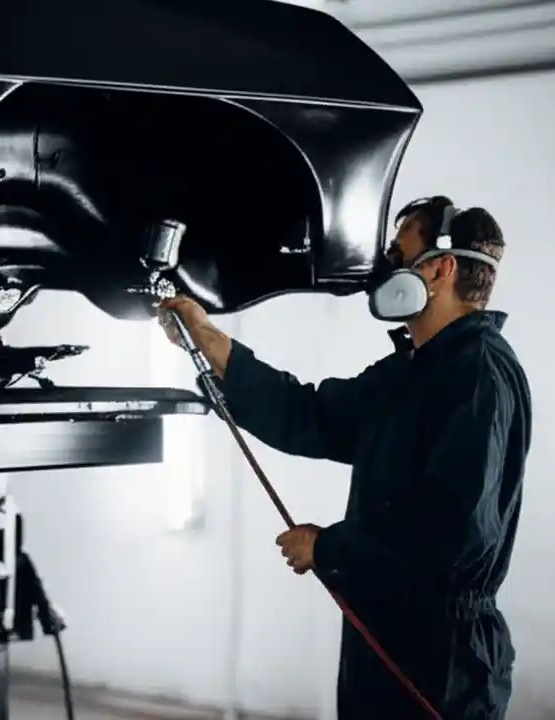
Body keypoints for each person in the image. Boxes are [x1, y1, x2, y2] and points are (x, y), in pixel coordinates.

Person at [159, 196, 531, 719]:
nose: (383, 272)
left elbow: (454, 531)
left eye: (398, 258)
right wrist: (208, 339)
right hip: (391, 627)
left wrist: (331, 547)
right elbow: (311, 415)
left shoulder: (475, 375)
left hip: (440, 655)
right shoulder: (415, 371)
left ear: (443, 268)